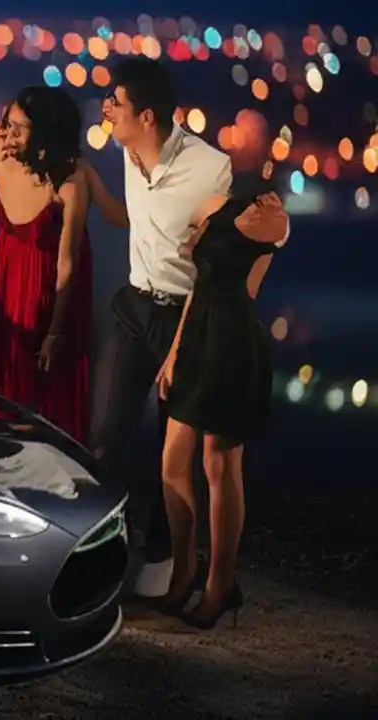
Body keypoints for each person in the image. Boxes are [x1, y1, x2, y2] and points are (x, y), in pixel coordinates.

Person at [81, 56, 289, 600]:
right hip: (134, 306)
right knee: (104, 435)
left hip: (186, 316)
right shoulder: (126, 149)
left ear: (147, 116)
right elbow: (135, 212)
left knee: (174, 450)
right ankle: (92, 554)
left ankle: (169, 558)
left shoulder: (209, 167)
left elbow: (230, 248)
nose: (107, 110)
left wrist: (278, 229)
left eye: (116, 103)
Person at [156, 175, 287, 628]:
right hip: (197, 335)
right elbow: (198, 284)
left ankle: (219, 585)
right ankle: (184, 570)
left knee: (220, 464)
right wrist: (174, 352)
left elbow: (276, 243)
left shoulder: (275, 221)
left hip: (233, 341)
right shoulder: (217, 206)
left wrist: (275, 214)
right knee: (173, 461)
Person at [0, 87, 93, 444]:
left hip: (46, 287)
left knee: (41, 392)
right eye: (7, 124)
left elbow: (68, 264)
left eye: (19, 129)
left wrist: (56, 332)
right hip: (3, 277)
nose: (7, 135)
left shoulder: (67, 182)